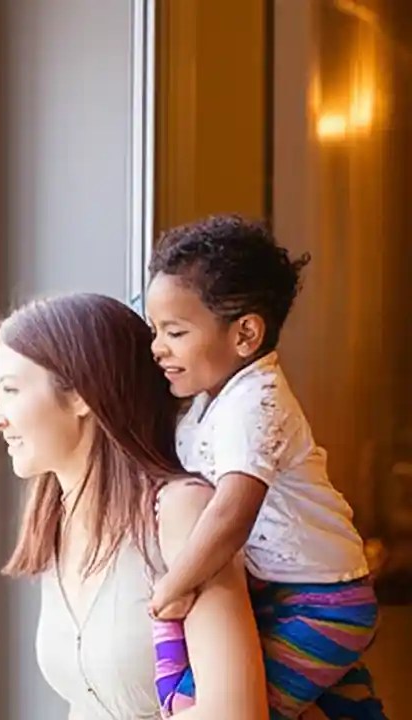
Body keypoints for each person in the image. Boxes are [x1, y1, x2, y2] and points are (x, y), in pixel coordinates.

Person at [144, 214, 384, 718]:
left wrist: (174, 585)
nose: (157, 347)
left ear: (245, 333)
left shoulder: (256, 403)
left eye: (175, 331)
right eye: (153, 330)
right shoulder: (211, 402)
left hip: (320, 605)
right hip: (286, 594)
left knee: (216, 702)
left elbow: (233, 512)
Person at [0, 293, 267, 719]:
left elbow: (236, 713)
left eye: (10, 390)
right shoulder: (57, 521)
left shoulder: (180, 512)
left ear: (81, 394)